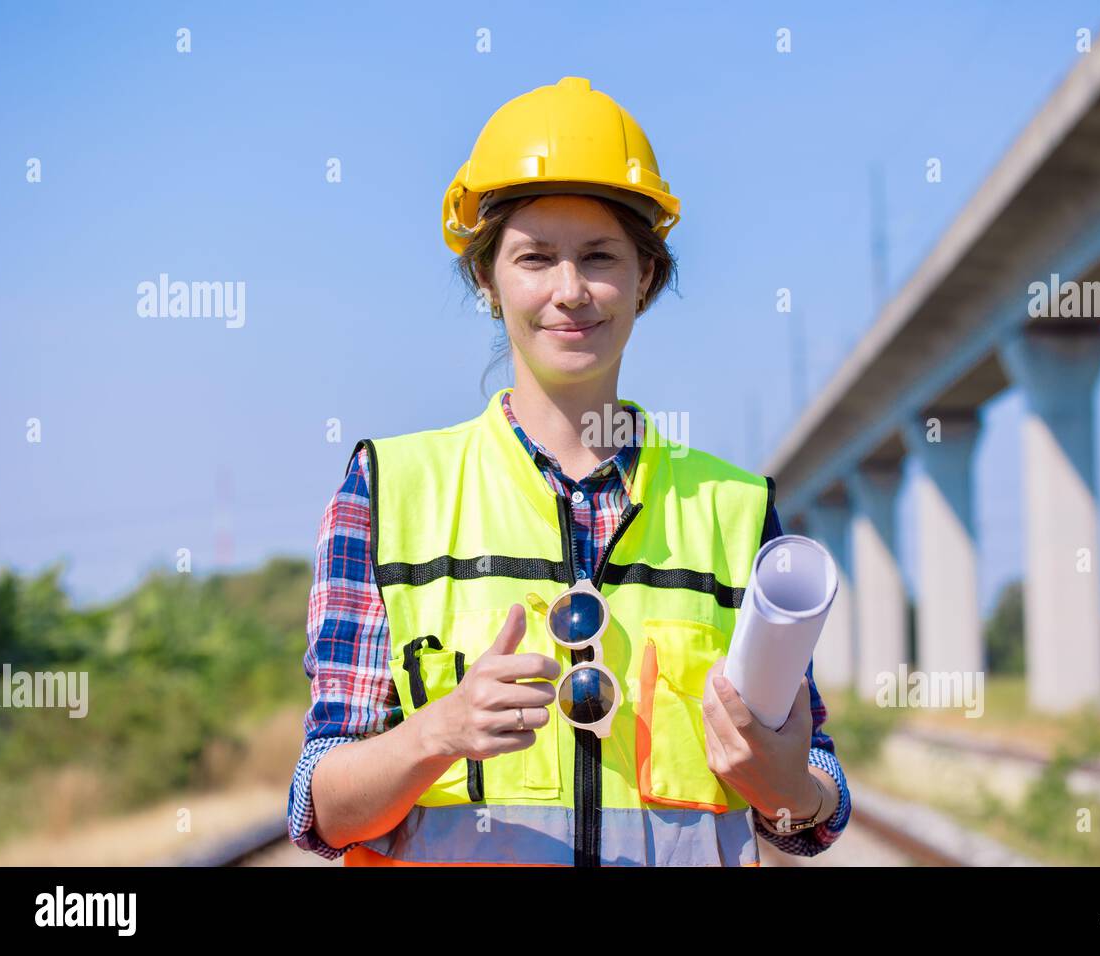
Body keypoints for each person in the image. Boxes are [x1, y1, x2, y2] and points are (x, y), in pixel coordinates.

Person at [287, 76, 852, 866]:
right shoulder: (387, 491)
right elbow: (320, 808)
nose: (570, 290)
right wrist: (438, 732)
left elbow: (811, 786)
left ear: (645, 278)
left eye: (599, 258)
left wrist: (793, 790)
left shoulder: (735, 507)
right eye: (534, 258)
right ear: (487, 280)